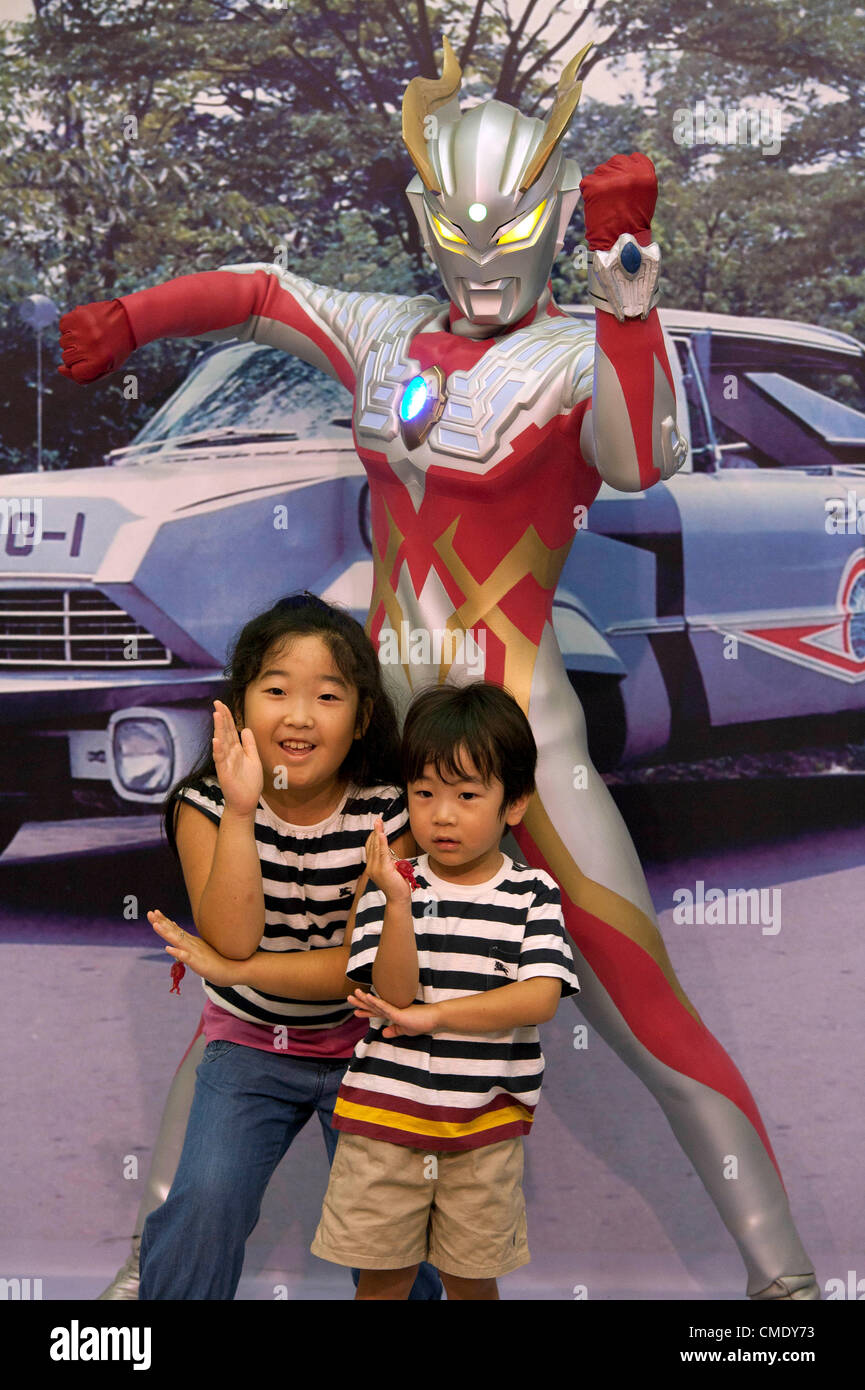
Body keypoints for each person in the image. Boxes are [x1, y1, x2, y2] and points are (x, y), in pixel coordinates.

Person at [60, 35, 817, 1301]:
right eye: (453, 238)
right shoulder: (378, 331)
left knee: (641, 1003)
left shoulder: (578, 352)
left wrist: (629, 292)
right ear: (424, 223)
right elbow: (257, 287)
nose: (476, 268)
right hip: (372, 758)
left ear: (543, 226)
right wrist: (140, 314)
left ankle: (787, 1292)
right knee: (248, 1007)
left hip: (517, 740)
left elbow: (640, 459)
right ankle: (142, 1288)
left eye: (504, 236)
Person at [138, 592, 440, 1300]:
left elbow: (362, 973)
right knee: (206, 1203)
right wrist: (243, 810)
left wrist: (236, 970)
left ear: (362, 716)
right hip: (248, 1047)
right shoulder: (205, 806)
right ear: (240, 704)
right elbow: (230, 934)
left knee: (393, 1235)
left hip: (370, 1049)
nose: (298, 716)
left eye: (327, 696)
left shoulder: (388, 810)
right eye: (275, 691)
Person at [306, 682, 579, 1299]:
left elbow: (538, 997)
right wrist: (398, 905)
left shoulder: (532, 893)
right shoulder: (389, 883)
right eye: (424, 793)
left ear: (515, 803)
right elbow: (392, 991)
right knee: (382, 1282)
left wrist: (434, 1018)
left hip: (484, 1131)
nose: (442, 814)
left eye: (466, 795)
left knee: (471, 1283)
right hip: (384, 1123)